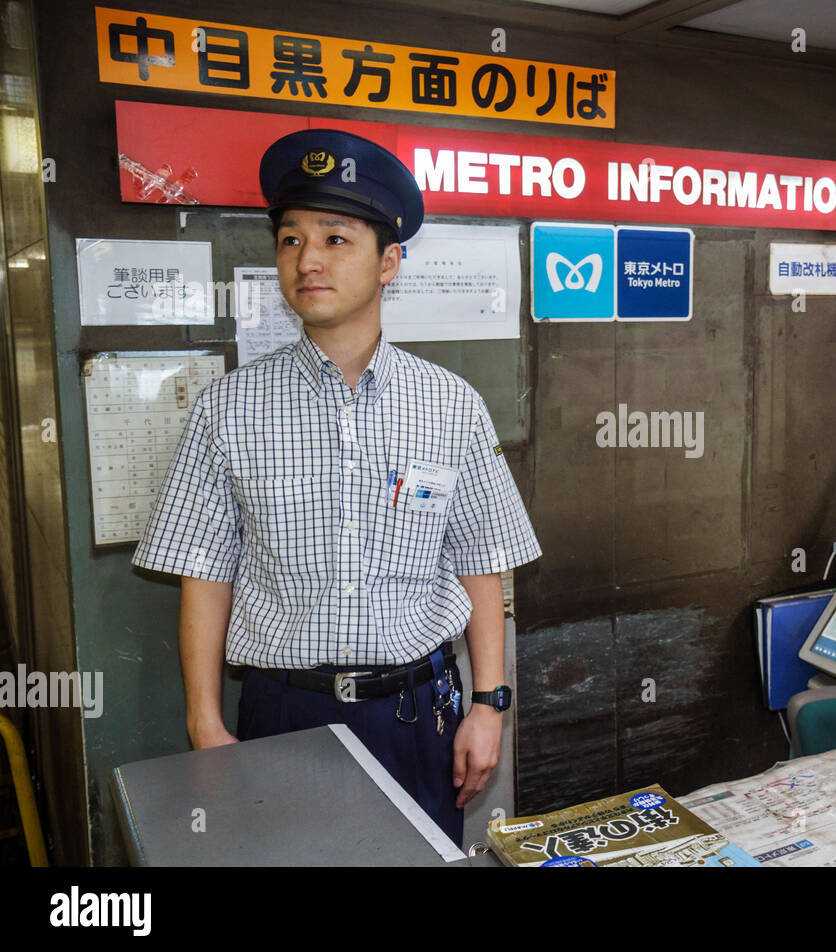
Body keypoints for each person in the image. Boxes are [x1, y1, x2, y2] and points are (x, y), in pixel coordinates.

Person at [131, 128, 541, 846]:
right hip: (282, 714)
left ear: (390, 263)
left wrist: (489, 705)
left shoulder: (451, 404)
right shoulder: (229, 408)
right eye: (290, 240)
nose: (307, 259)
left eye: (334, 239)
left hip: (418, 716)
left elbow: (481, 561)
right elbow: (205, 572)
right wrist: (205, 721)